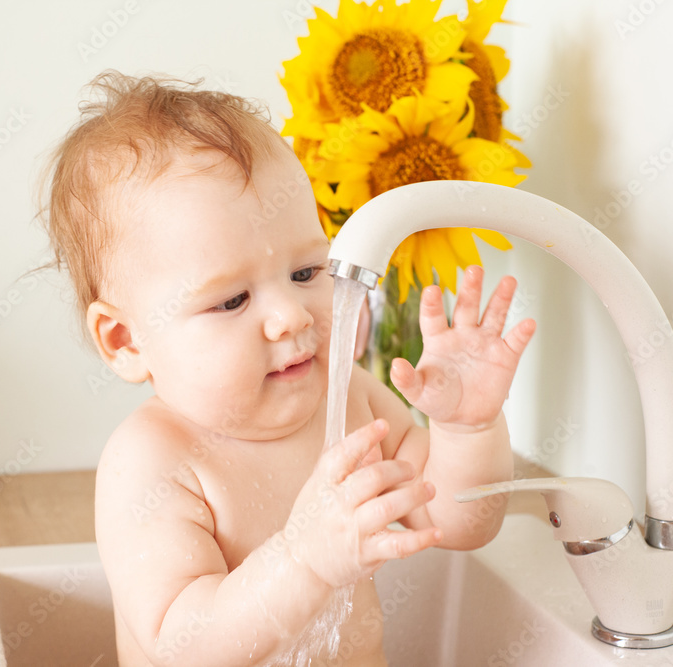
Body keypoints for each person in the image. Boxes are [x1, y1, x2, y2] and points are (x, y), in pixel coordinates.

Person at [42, 71, 536, 666]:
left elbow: (454, 522)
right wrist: (303, 559)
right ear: (125, 341)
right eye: (231, 301)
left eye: (306, 273)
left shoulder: (350, 399)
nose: (290, 317)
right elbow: (184, 647)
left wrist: (468, 430)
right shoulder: (151, 462)